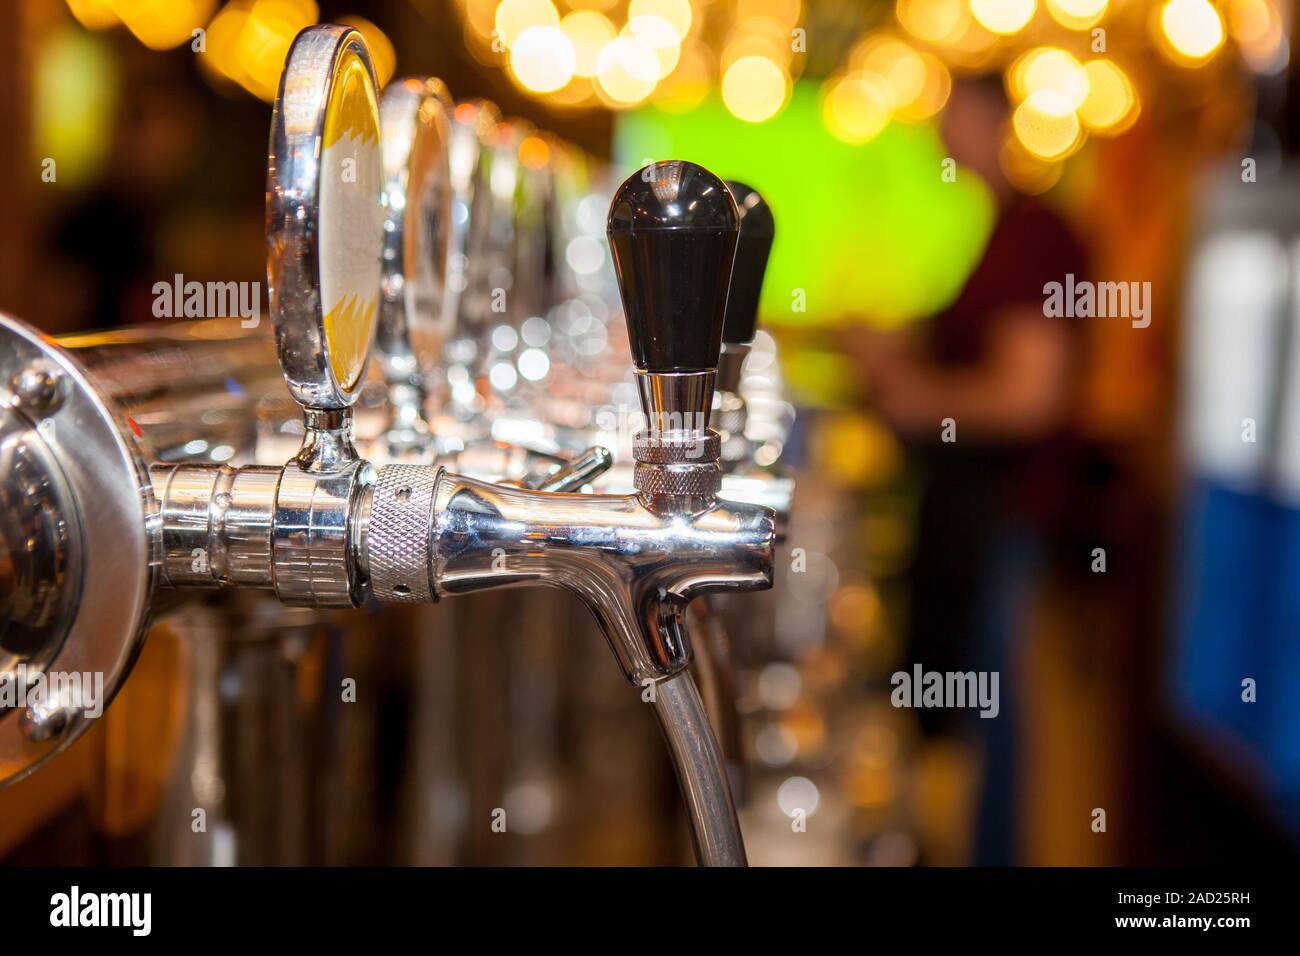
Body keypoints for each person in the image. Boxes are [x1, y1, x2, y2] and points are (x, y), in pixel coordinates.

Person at [844, 75, 1090, 864]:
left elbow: (1029, 399)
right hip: (980, 513)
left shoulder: (1037, 235)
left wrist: (920, 398)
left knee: (997, 720)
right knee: (980, 713)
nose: (942, 143)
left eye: (954, 123)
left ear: (993, 121)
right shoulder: (1003, 230)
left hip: (1008, 516)